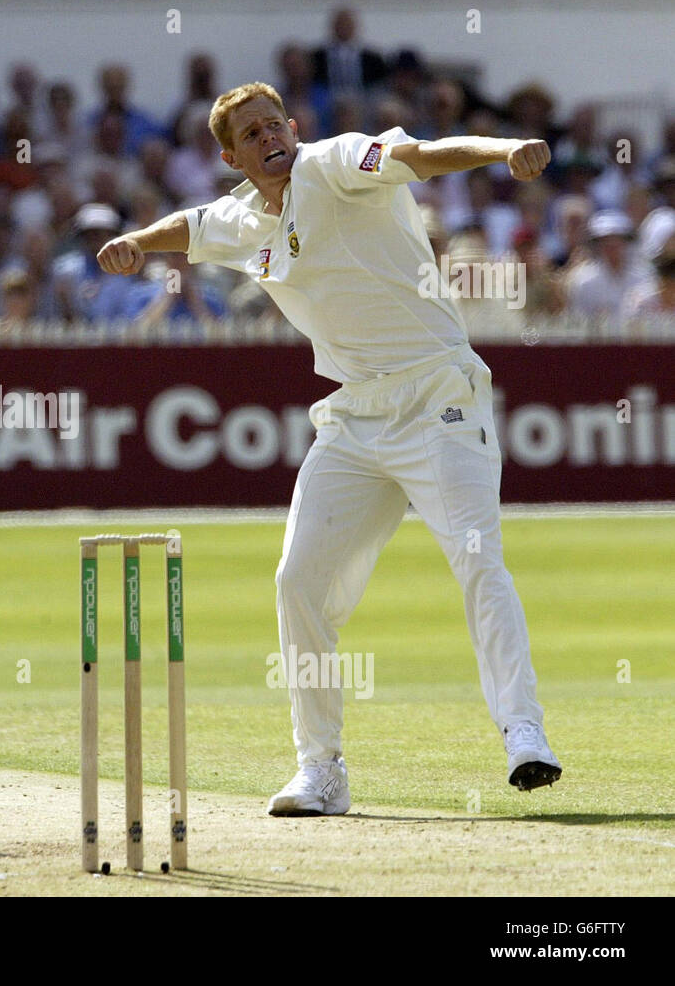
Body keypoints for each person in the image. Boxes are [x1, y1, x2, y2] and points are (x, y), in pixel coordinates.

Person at [97, 81, 562, 814]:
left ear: (294, 125)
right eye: (251, 135)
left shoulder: (334, 162)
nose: (270, 138)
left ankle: (523, 730)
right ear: (230, 155)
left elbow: (420, 155)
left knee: (476, 557)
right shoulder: (243, 217)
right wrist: (134, 242)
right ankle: (321, 768)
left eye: (275, 124)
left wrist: (504, 149)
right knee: (297, 580)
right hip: (354, 416)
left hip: (438, 390)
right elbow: (191, 225)